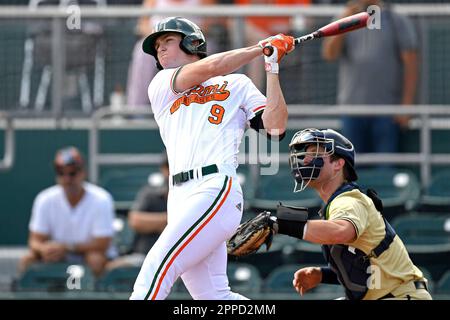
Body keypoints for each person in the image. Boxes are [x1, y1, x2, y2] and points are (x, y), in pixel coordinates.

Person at [129, 16, 292, 300]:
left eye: (167, 41)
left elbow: (276, 128)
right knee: (214, 296)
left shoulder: (237, 84)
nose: (160, 50)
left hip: (215, 186)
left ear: (192, 43)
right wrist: (260, 47)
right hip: (179, 195)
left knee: (157, 267)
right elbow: (213, 66)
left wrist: (272, 68)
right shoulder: (162, 84)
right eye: (157, 46)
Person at [266, 128, 432, 300]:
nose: (306, 159)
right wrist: (322, 275)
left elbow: (340, 231)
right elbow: (368, 271)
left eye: (315, 153)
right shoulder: (338, 203)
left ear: (338, 163)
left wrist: (282, 223)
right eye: (305, 154)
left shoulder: (349, 200)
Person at [322, 0, 418, 154]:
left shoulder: (396, 19)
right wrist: (346, 20)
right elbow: (329, 54)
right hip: (352, 110)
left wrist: (406, 105)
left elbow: (411, 64)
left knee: (385, 170)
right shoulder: (344, 17)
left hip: (387, 111)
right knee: (351, 168)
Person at [18, 147, 117, 277]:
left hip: (87, 256)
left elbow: (102, 243)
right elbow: (34, 240)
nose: (67, 179)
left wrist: (67, 248)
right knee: (28, 259)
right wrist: (45, 249)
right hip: (56, 257)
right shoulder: (45, 199)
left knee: (95, 259)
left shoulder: (101, 199)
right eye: (61, 173)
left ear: (83, 173)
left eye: (72, 173)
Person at [106, 155, 169, 270]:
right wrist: (169, 220)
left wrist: (154, 224)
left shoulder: (191, 193)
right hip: (143, 256)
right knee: (112, 269)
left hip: (177, 258)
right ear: (163, 169)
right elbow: (135, 221)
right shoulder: (150, 192)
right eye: (168, 166)